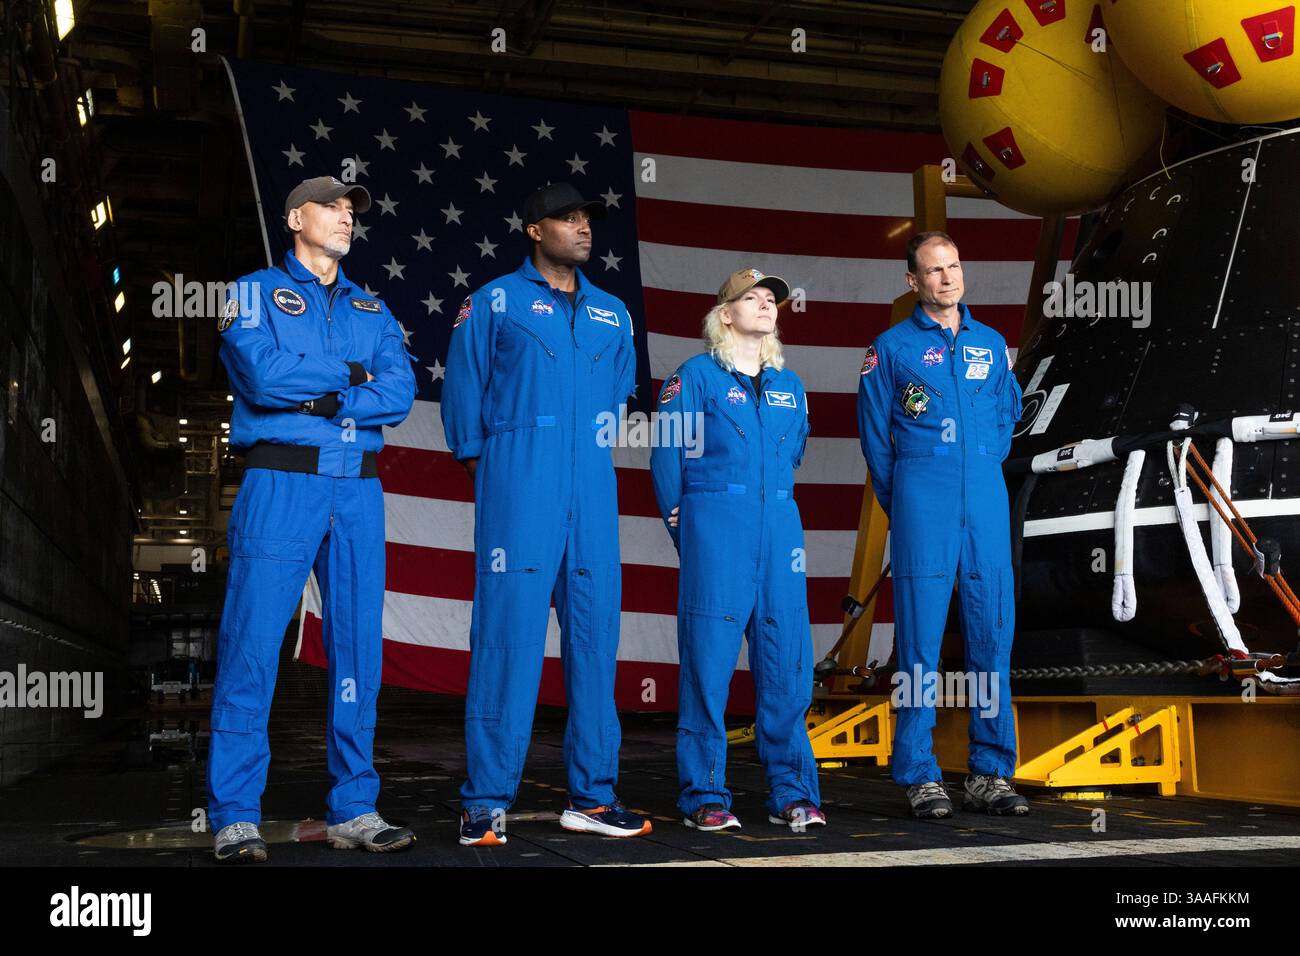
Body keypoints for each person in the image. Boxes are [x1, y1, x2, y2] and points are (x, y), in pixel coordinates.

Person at [208, 175, 418, 862]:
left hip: (356, 487)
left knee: (358, 649)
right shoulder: (250, 293)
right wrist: (349, 379)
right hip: (281, 483)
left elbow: (400, 392)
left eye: (351, 208)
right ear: (295, 217)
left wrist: (326, 397)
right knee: (252, 643)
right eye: (330, 206)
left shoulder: (372, 306)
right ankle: (236, 813)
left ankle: (354, 806)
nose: (344, 217)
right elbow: (262, 378)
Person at [441, 182, 649, 846]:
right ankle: (485, 802)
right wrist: (504, 476)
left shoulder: (614, 313)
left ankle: (591, 795)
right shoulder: (495, 301)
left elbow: (617, 400)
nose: (584, 228)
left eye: (588, 218)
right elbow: (463, 400)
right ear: (535, 229)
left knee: (595, 644)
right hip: (518, 484)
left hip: (591, 489)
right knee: (508, 641)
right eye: (569, 218)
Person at [857, 231, 1027, 818]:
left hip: (983, 493)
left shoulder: (991, 342)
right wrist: (906, 492)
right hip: (921, 495)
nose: (947, 278)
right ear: (914, 281)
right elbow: (877, 438)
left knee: (991, 633)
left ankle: (990, 771)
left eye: (954, 266)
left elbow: (1008, 413)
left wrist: (977, 459)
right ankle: (919, 773)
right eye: (934, 270)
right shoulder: (891, 348)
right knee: (921, 643)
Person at [650, 268, 824, 832]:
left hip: (778, 526)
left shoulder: (789, 384)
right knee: (708, 666)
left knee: (788, 667)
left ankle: (793, 793)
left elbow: (793, 452)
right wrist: (688, 525)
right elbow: (667, 454)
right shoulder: (695, 376)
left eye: (772, 298)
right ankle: (704, 795)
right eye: (752, 298)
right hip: (715, 524)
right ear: (726, 314)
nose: (767, 304)